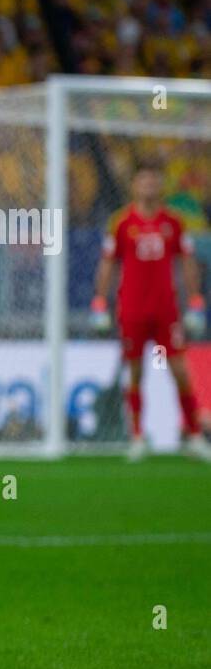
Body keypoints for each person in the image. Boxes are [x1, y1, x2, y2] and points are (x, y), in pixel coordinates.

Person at [91, 161, 209, 461]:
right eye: (143, 181)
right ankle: (138, 436)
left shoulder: (173, 222)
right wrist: (100, 301)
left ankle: (194, 435)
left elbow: (187, 261)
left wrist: (195, 300)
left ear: (160, 185)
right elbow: (108, 263)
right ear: (134, 186)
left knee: (180, 370)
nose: (149, 186)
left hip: (165, 309)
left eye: (153, 181)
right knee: (135, 371)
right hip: (131, 308)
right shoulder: (121, 222)